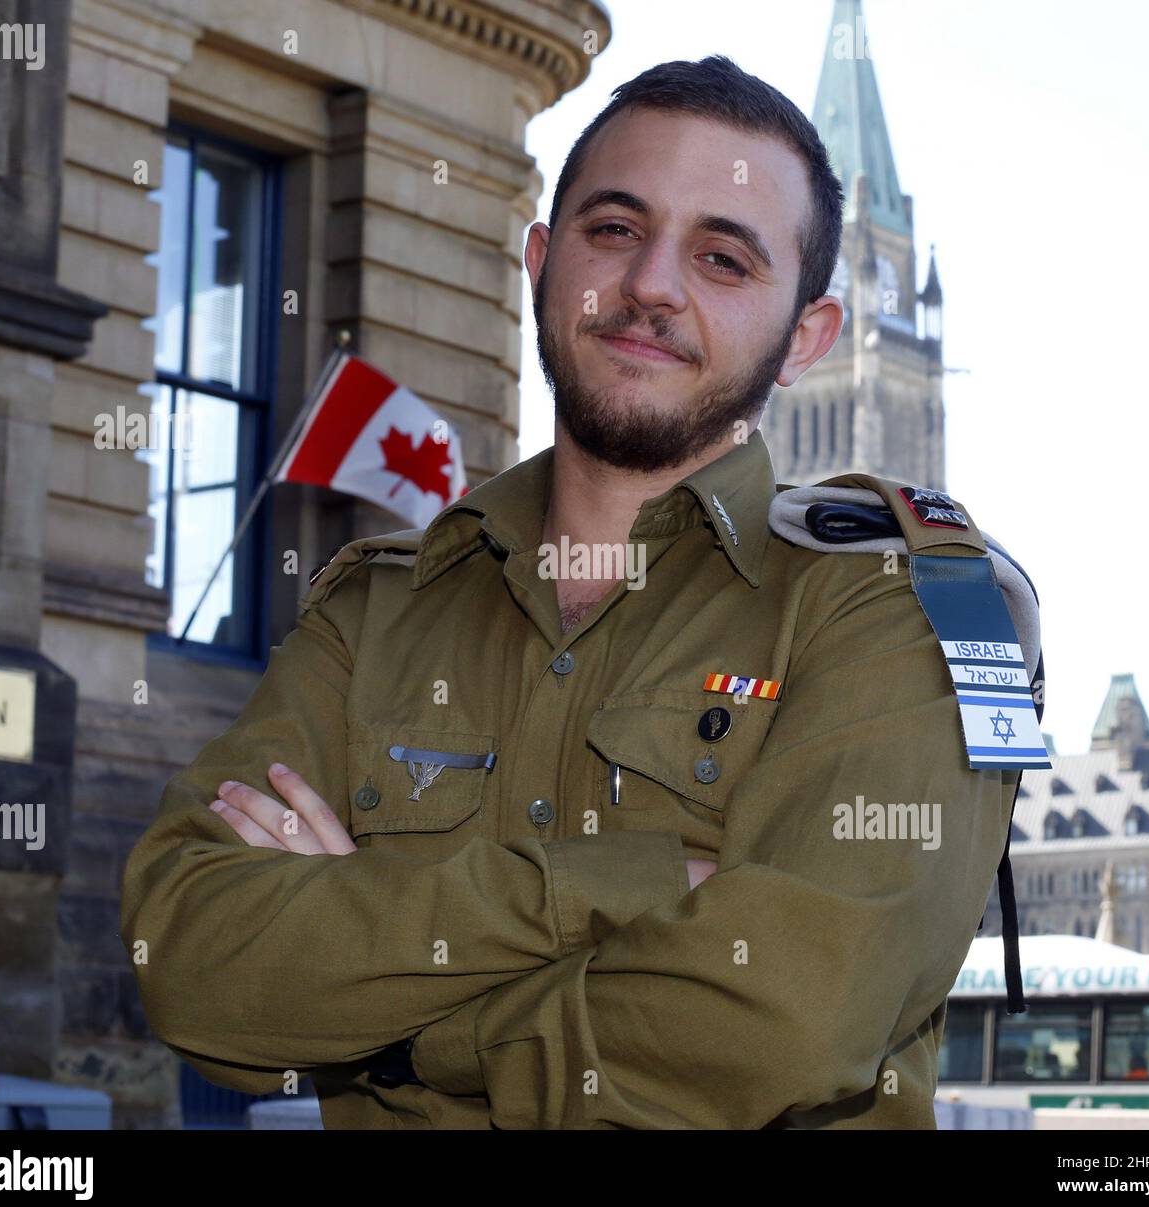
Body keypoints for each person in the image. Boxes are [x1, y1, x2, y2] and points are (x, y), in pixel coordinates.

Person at [121, 55, 1026, 1129]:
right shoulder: (373, 613)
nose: (651, 285)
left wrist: (393, 1031)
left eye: (724, 259)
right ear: (542, 263)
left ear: (809, 337)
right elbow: (189, 958)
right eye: (613, 230)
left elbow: (784, 1025)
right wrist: (629, 886)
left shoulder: (909, 605)